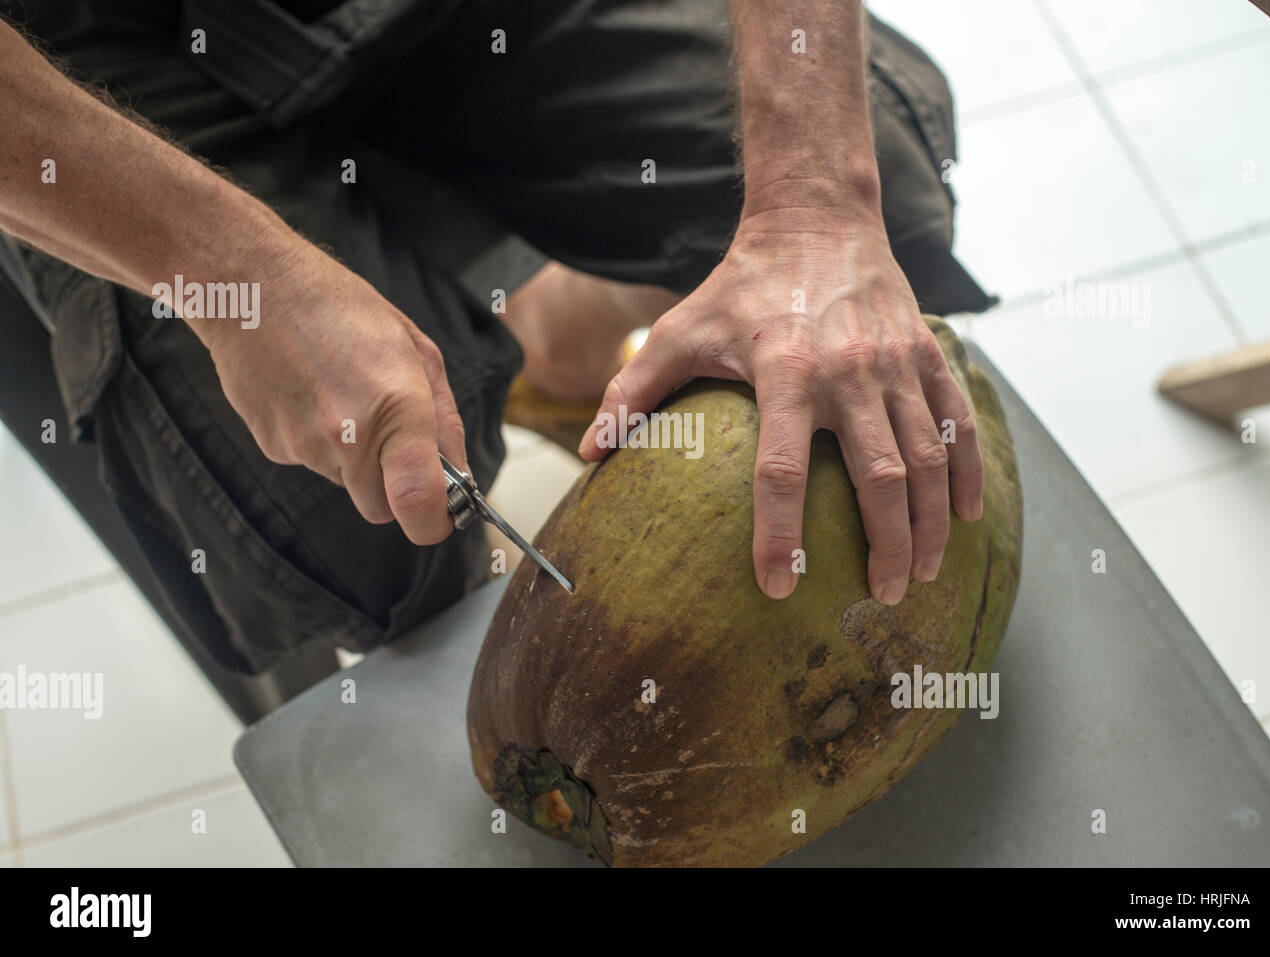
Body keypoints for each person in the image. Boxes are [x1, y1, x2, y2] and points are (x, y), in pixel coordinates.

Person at [0, 0, 994, 699]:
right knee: (360, 528)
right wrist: (234, 277)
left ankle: (560, 351)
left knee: (887, 193)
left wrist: (815, 201)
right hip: (66, 52)